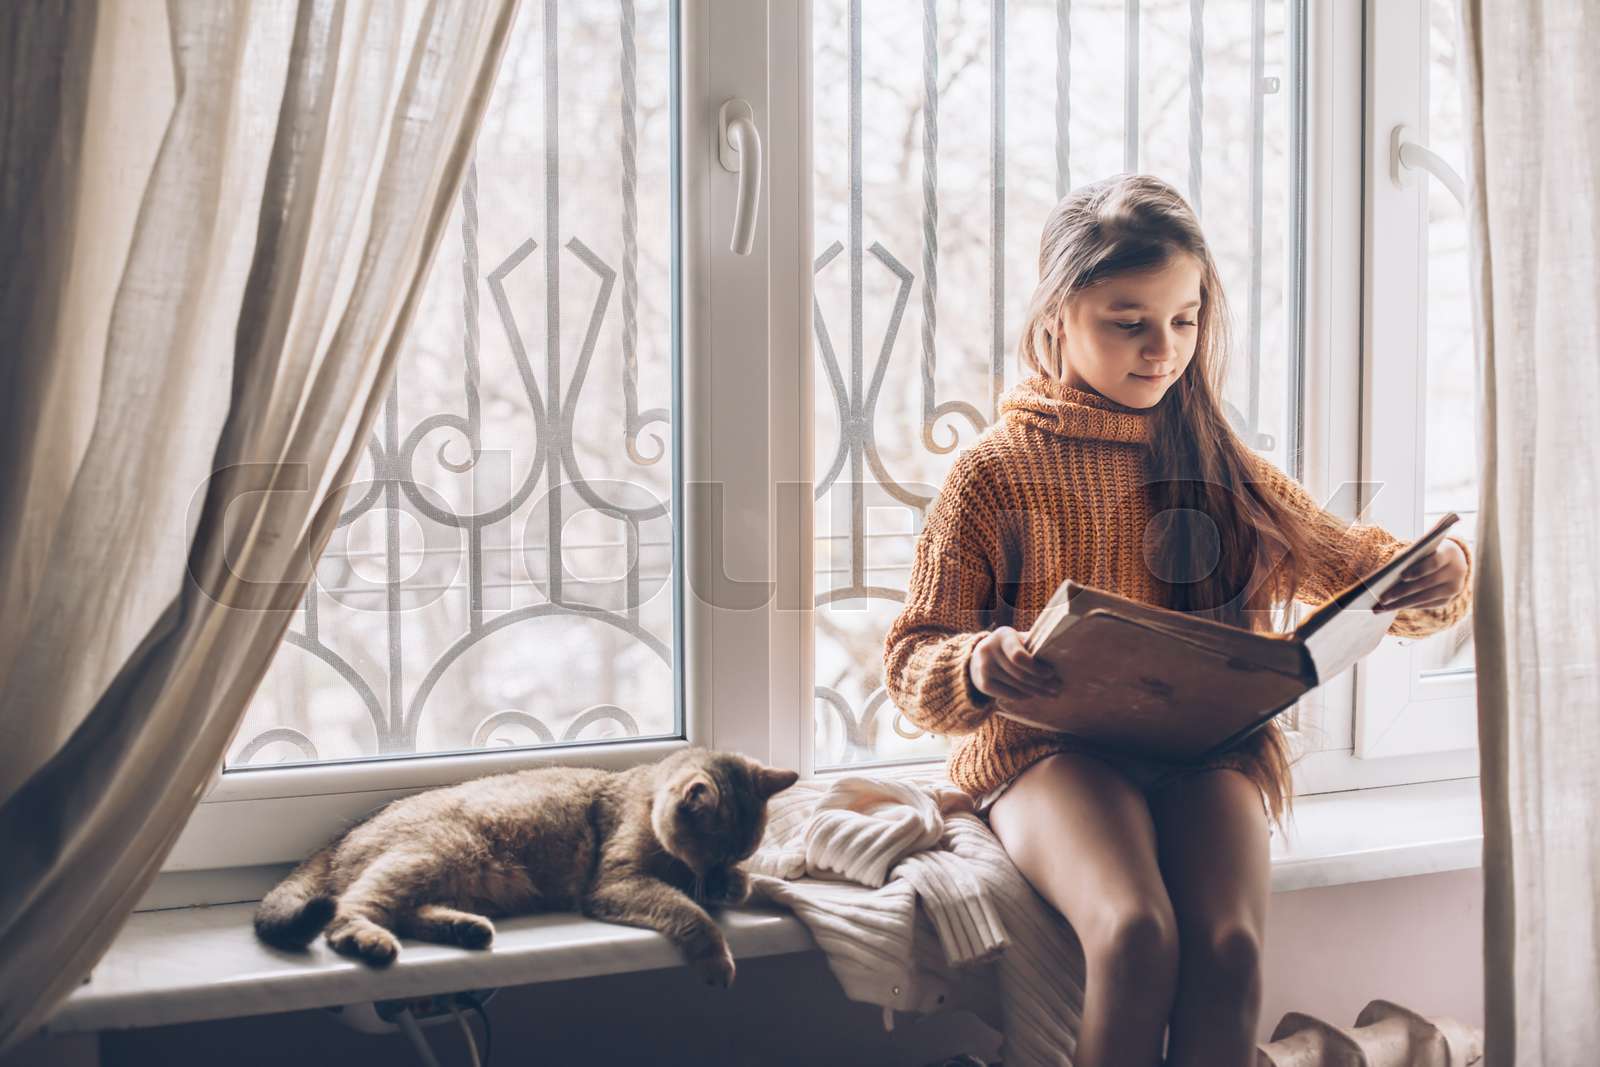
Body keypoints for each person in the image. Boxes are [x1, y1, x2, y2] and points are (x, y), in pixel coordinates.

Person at [881, 173, 1472, 1067]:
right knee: (1134, 931)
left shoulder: (1217, 458)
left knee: (1231, 949)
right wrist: (976, 663)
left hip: (1205, 749)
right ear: (1057, 315)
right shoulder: (994, 472)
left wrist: (1443, 574)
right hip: (1052, 752)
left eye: (1185, 320)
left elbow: (1362, 570)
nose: (1163, 349)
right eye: (1129, 321)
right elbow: (912, 659)